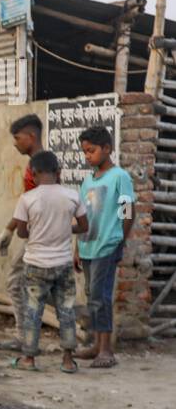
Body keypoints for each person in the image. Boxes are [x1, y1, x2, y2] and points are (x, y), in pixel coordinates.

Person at [11, 150, 87, 372]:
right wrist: (65, 228)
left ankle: (29, 359)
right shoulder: (72, 196)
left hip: (35, 265)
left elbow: (22, 233)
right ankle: (67, 361)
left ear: (33, 174)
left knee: (33, 312)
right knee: (66, 311)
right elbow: (84, 226)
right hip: (63, 264)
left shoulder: (27, 199)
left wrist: (37, 230)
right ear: (59, 172)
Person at [75, 125, 135, 368]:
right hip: (88, 246)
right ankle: (96, 346)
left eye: (91, 151)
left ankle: (107, 350)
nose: (87, 156)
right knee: (92, 296)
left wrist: (120, 240)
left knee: (101, 296)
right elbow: (82, 217)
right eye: (85, 152)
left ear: (107, 149)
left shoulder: (120, 177)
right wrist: (77, 248)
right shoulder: (87, 181)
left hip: (107, 245)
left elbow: (128, 211)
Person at [0, 114, 45, 338]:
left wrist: (12, 229)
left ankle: (24, 338)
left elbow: (37, 202)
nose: (15, 143)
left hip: (39, 234)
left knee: (16, 284)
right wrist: (10, 229)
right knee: (30, 285)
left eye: (18, 138)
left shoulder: (40, 166)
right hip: (37, 233)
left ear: (31, 136)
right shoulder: (38, 163)